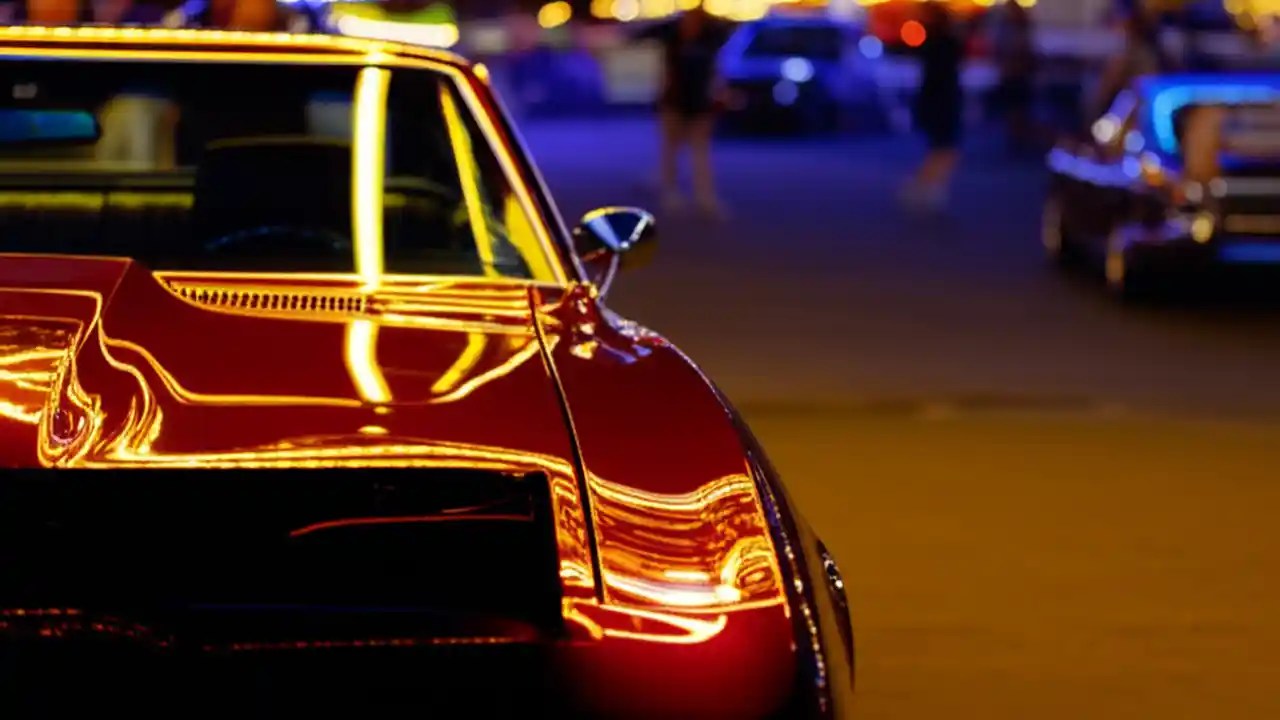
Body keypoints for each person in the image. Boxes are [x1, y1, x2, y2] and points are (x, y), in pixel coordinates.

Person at [631, 6, 734, 219]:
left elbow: (716, 66)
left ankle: (705, 198)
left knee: (700, 153)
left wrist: (718, 93)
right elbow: (640, 35)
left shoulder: (710, 36)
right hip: (673, 101)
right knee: (670, 150)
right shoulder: (672, 34)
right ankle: (670, 192)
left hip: (699, 102)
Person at [900, 2, 964, 213]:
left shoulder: (938, 42)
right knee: (944, 148)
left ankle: (926, 187)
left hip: (939, 100)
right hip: (942, 101)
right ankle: (927, 188)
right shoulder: (943, 42)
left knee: (942, 148)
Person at [993, 0, 1038, 156]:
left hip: (1018, 75)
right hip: (1012, 75)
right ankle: (1016, 139)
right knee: (1014, 110)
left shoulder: (1019, 28)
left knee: (1019, 110)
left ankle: (1019, 139)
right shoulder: (1009, 28)